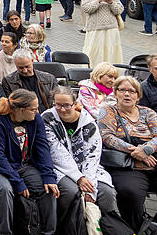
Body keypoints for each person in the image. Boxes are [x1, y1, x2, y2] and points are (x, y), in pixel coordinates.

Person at [0, 89, 64, 235]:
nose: (37, 112)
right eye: (33, 109)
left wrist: (48, 177)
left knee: (48, 189)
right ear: (20, 110)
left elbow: (42, 147)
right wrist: (18, 182)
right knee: (5, 189)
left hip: (21, 164)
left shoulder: (35, 120)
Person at [42, 86, 117, 221]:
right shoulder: (47, 119)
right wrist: (79, 178)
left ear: (75, 104)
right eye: (57, 105)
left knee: (106, 192)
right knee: (71, 191)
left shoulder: (88, 123)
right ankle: (69, 231)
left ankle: (107, 229)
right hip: (59, 168)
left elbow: (93, 154)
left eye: (66, 105)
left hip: (87, 167)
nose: (62, 109)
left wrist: (89, 184)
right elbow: (56, 152)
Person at [98, 75, 157, 231]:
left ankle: (152, 228)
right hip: (126, 164)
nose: (126, 94)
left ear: (138, 96)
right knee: (130, 192)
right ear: (115, 93)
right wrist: (136, 151)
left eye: (131, 91)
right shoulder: (108, 110)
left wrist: (146, 150)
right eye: (122, 90)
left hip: (152, 160)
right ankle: (134, 232)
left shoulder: (148, 112)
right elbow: (106, 137)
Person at [81, 0, 124, 66]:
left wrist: (111, 3)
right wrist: (98, 1)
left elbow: (120, 9)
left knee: (111, 52)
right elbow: (86, 8)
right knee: (94, 52)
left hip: (111, 27)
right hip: (95, 27)